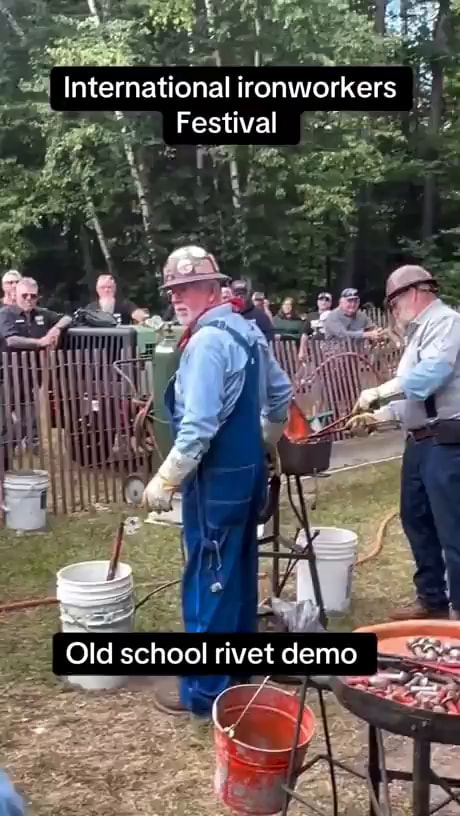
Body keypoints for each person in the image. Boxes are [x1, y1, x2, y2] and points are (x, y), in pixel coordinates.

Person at [142, 245, 292, 717]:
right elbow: (281, 396)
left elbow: (198, 428)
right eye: (173, 290)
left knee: (209, 580)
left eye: (187, 288)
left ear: (213, 288)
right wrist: (264, 444)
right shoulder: (246, 330)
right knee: (239, 573)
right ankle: (237, 677)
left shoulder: (207, 341)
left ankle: (207, 692)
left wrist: (165, 479)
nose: (178, 298)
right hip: (246, 474)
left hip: (217, 480)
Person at [348, 265, 460, 621]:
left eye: (393, 303)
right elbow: (414, 400)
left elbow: (430, 378)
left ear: (413, 293)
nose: (394, 311)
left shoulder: (447, 323)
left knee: (452, 529)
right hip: (420, 443)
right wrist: (378, 417)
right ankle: (432, 601)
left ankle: (458, 612)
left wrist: (379, 392)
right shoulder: (418, 335)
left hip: (447, 443)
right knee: (416, 521)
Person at [0, 277, 72, 451]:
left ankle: (27, 443)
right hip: (6, 375)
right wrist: (41, 342)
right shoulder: (5, 314)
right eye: (24, 295)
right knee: (4, 418)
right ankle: (5, 451)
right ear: (16, 295)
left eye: (33, 296)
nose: (28, 300)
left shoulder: (41, 313)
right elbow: (11, 340)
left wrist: (57, 328)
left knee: (29, 416)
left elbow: (68, 317)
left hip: (31, 374)